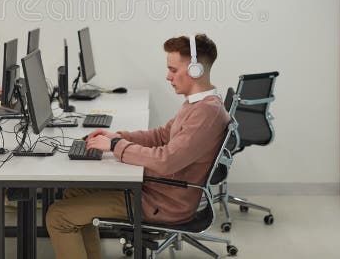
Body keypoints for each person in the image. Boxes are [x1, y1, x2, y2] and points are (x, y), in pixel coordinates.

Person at [46, 34, 231, 259]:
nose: (167, 76)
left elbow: (167, 160)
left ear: (195, 70)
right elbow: (162, 135)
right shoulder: (197, 103)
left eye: (173, 70)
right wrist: (118, 136)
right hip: (158, 190)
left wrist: (116, 145)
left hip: (162, 202)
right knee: (73, 192)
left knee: (57, 216)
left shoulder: (206, 112)